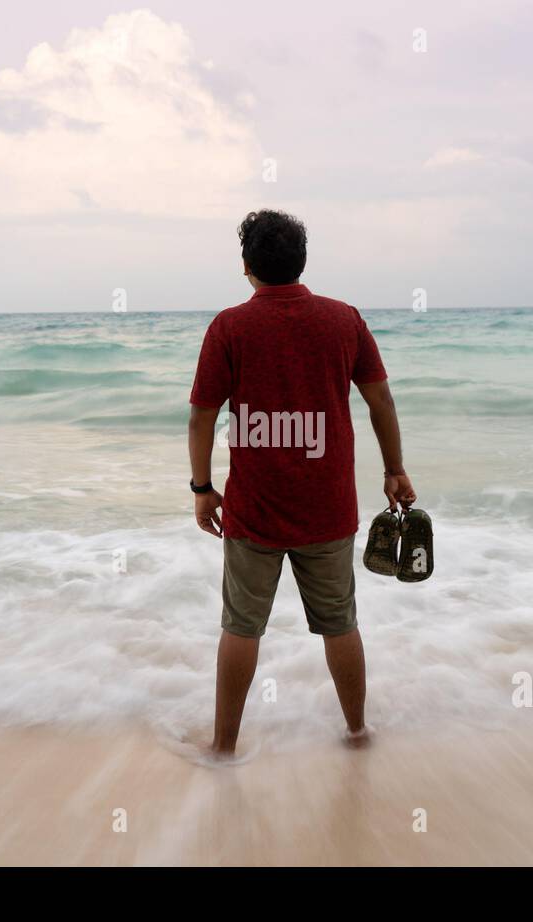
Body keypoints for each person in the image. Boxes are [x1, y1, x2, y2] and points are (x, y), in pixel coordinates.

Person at [187, 209, 416, 758]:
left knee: (241, 627)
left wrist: (202, 487)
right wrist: (394, 469)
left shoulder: (229, 327)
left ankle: (223, 748)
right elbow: (379, 398)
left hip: (254, 509)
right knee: (340, 623)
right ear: (302, 262)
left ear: (247, 268)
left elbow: (201, 415)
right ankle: (358, 733)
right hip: (328, 507)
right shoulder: (344, 320)